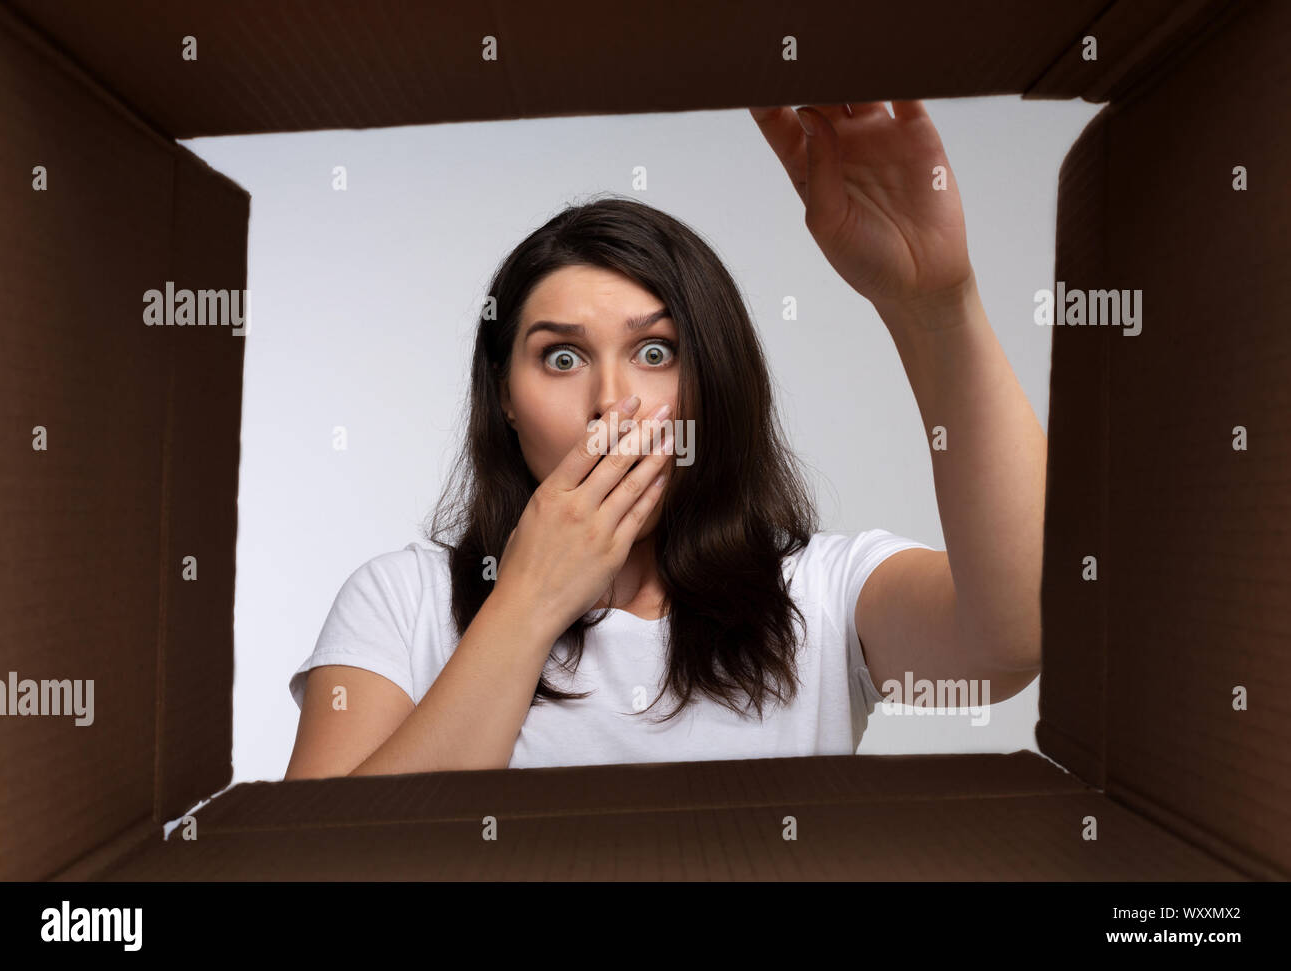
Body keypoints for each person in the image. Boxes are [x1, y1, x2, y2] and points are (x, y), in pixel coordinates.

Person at [284, 101, 1046, 779]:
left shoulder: (820, 592)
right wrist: (528, 599)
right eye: (561, 356)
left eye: (655, 353)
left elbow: (1018, 635)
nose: (612, 402)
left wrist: (937, 303)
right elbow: (322, 863)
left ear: (712, 386)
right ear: (506, 402)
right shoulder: (402, 600)